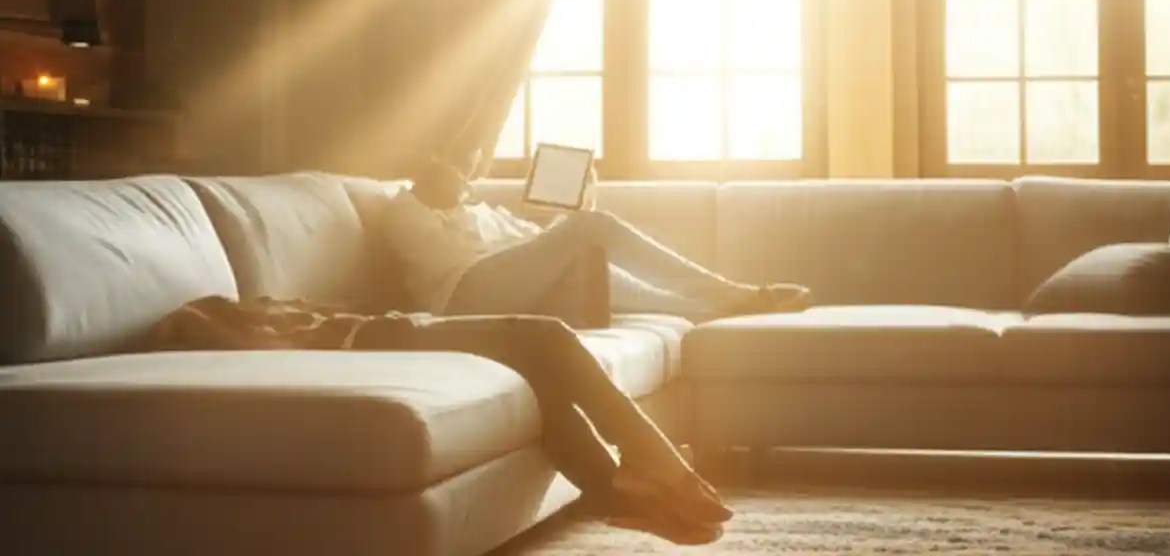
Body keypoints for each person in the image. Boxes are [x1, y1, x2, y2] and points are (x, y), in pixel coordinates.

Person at [141, 296, 733, 545]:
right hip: (376, 338)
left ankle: (613, 490)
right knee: (549, 338)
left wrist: (293, 315)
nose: (274, 311)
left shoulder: (256, 311)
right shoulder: (199, 319)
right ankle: (652, 456)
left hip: (381, 329)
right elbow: (199, 329)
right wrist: (285, 329)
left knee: (542, 374)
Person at [383, 149, 813, 321]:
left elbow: (540, 246)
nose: (464, 176)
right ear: (426, 172)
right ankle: (730, 292)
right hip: (463, 293)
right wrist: (576, 228)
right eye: (454, 169)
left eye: (465, 170)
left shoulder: (485, 210)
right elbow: (438, 260)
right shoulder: (402, 211)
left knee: (591, 258)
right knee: (590, 229)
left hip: (510, 285)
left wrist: (582, 203)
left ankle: (714, 311)